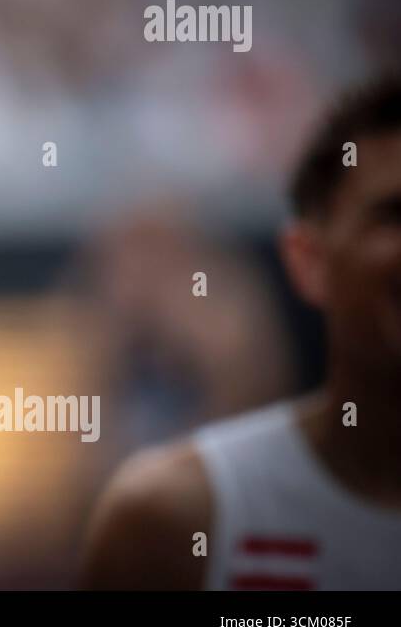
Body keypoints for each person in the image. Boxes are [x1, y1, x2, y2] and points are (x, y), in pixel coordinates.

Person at [80, 76, 401, 589]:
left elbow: (252, 388)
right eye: (394, 216)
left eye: (155, 245)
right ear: (309, 260)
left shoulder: (223, 320)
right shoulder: (168, 511)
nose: (137, 267)